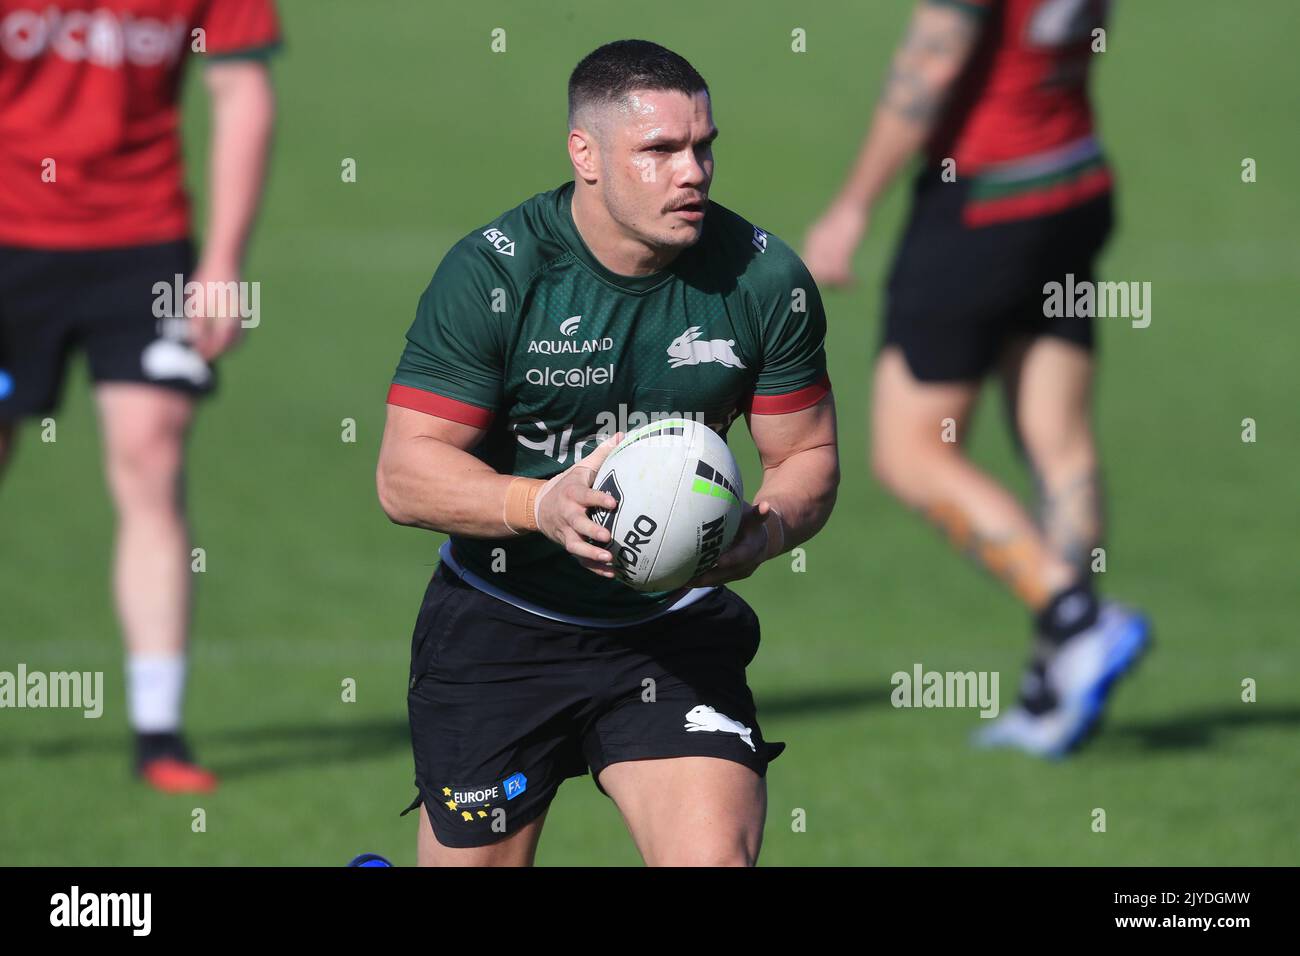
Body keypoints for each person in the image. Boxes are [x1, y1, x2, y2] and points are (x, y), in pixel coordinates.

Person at [377, 40, 839, 865]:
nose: (692, 171)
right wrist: (539, 505)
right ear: (584, 154)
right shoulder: (496, 275)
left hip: (673, 628)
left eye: (703, 146)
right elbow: (404, 476)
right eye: (659, 150)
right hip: (501, 627)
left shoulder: (766, 283)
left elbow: (808, 456)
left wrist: (764, 535)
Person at [803, 0, 1149, 756]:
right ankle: (1053, 686)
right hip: (1074, 177)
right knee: (1057, 438)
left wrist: (851, 207)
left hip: (986, 200)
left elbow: (929, 62)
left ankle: (1075, 618)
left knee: (908, 452)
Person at [0, 0, 280, 791]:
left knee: (151, 459)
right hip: (7, 238)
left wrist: (222, 264)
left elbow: (241, 91)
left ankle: (159, 731)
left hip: (144, 242)